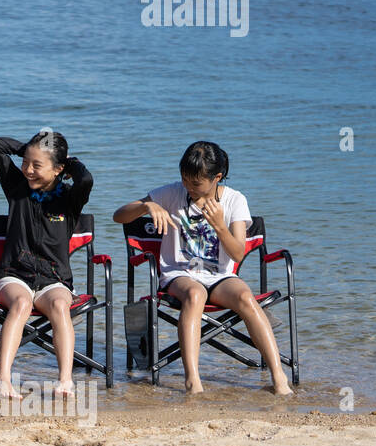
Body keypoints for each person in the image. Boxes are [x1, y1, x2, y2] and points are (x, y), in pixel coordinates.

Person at [112, 141, 292, 395]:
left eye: (196, 183)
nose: (189, 187)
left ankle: (279, 377)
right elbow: (118, 216)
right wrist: (146, 206)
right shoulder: (171, 193)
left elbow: (238, 252)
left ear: (217, 177)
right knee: (196, 295)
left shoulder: (234, 200)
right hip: (179, 274)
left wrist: (220, 225)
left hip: (220, 275)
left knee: (244, 296)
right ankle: (192, 381)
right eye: (185, 179)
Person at [0, 131, 93, 399]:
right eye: (25, 163)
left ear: (58, 169)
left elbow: (86, 179)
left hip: (54, 280)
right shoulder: (16, 187)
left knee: (59, 305)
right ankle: (3, 379)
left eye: (37, 165)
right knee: (22, 303)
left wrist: (71, 162)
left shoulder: (70, 199)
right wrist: (31, 150)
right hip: (13, 276)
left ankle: (65, 381)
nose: (28, 170)